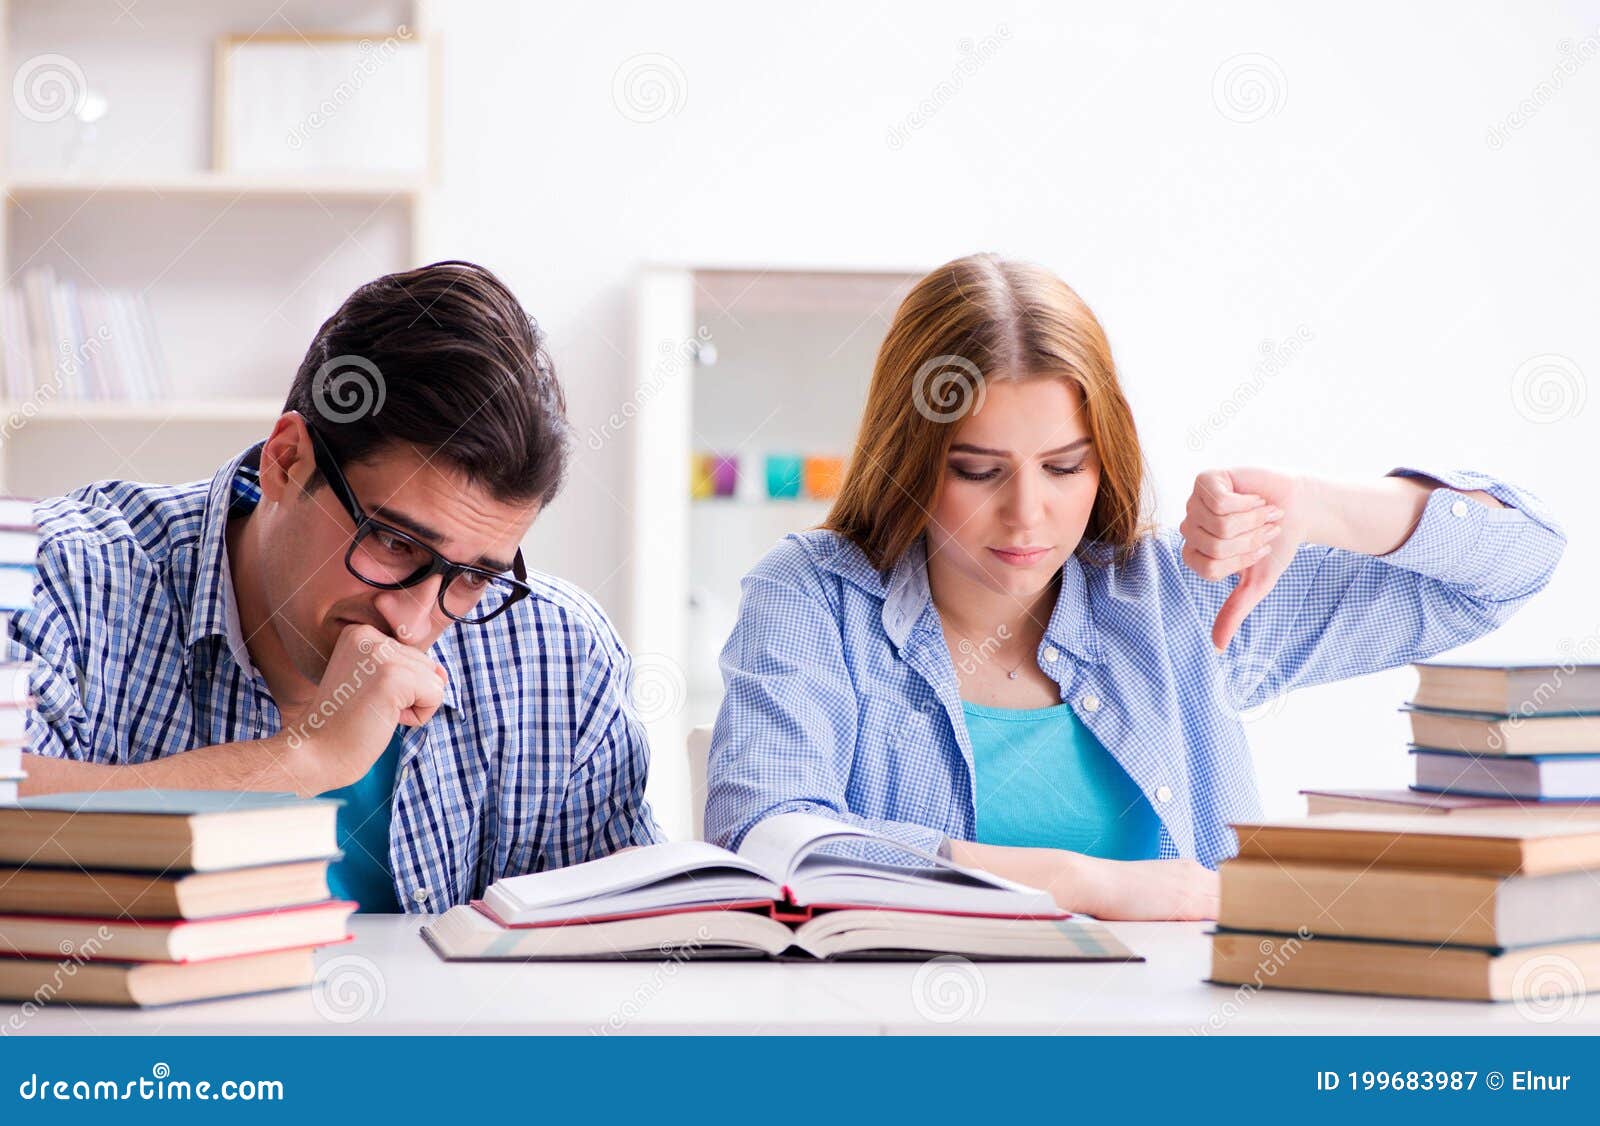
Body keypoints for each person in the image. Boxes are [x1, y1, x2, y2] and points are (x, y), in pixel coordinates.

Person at [704, 253, 1565, 921]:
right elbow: (769, 834)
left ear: (1104, 456)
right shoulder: (816, 598)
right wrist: (1081, 883)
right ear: (910, 462)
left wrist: (1321, 505)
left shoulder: (1175, 601)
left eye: (1063, 466)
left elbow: (1516, 562)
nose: (1027, 516)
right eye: (976, 471)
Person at [12, 261, 659, 912]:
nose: (413, 623)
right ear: (287, 460)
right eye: (395, 543)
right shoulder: (59, 575)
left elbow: (631, 935)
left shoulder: (559, 655)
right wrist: (300, 761)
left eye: (472, 577)